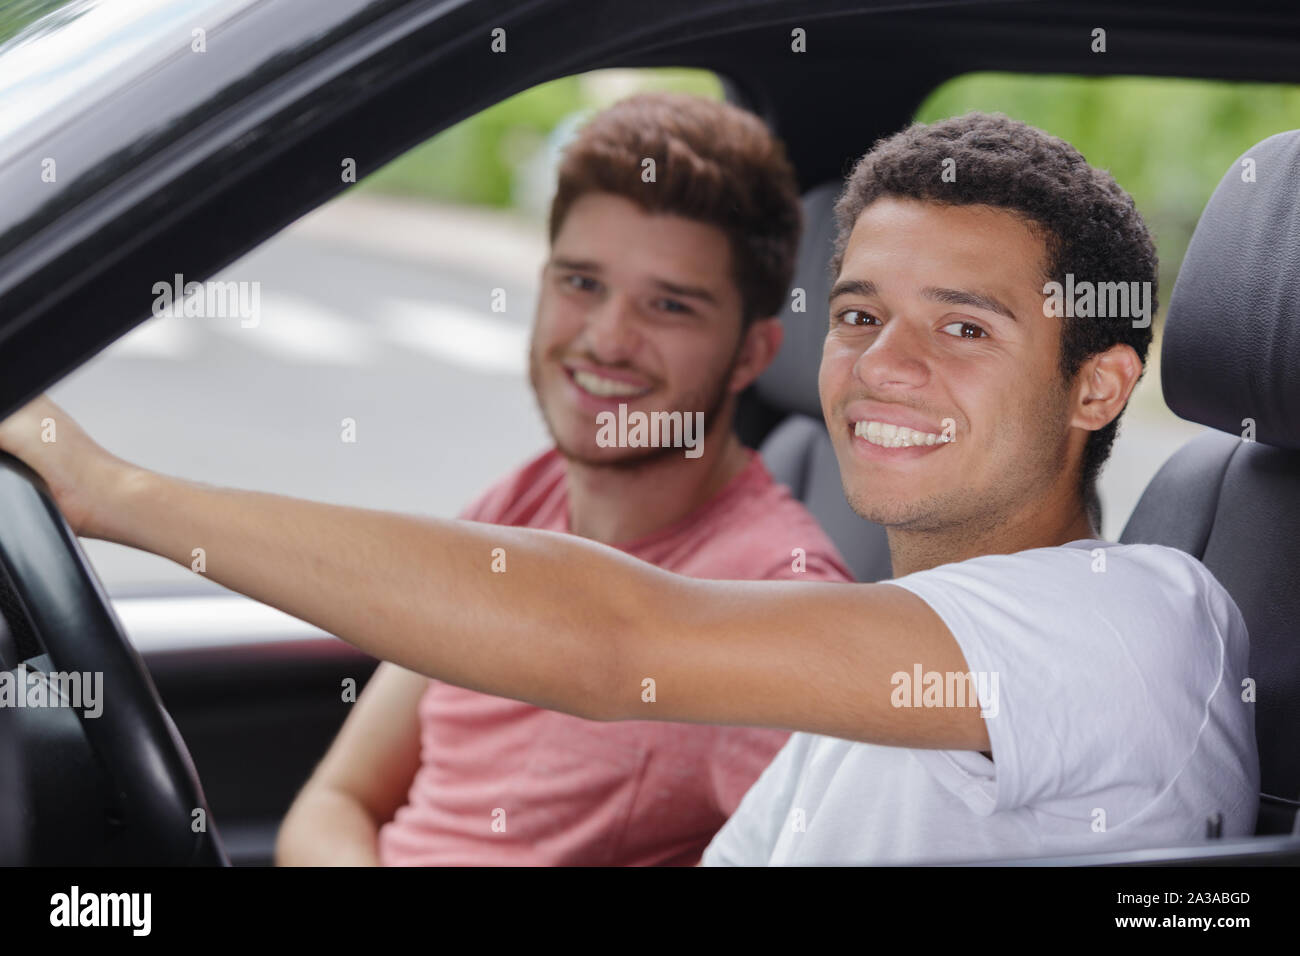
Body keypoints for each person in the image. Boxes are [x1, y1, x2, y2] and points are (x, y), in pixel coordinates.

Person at [0, 112, 1257, 866]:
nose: (883, 366)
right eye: (863, 314)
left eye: (964, 330)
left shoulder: (1131, 620)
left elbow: (619, 638)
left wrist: (110, 491)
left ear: (1097, 388)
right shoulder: (884, 665)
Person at [2, 91, 853, 867]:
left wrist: (112, 492)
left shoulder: (776, 609)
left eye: (670, 305)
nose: (604, 339)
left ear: (753, 352)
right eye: (581, 282)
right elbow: (336, 802)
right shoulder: (525, 502)